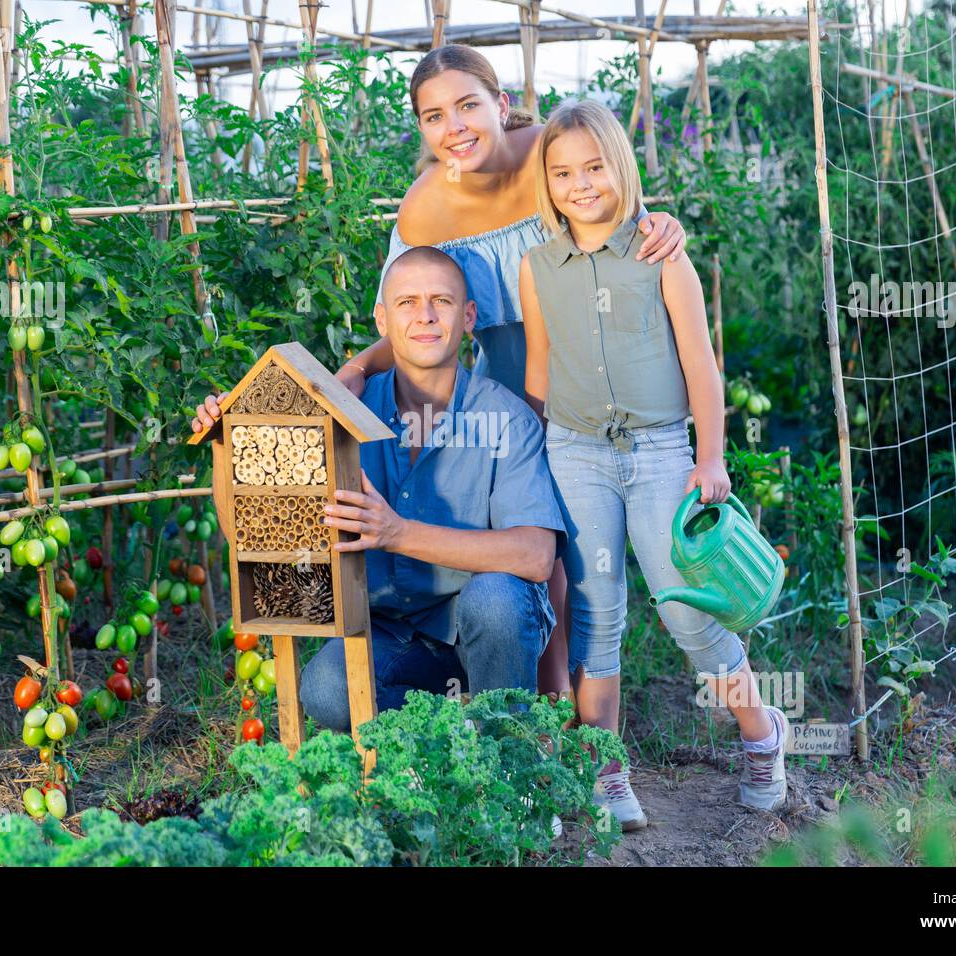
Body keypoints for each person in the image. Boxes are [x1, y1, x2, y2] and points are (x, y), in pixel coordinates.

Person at [335, 45, 688, 696]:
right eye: (434, 116)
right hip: (520, 389)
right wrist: (356, 368)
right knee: (544, 548)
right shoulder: (423, 211)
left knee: (608, 565)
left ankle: (606, 705)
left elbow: (615, 217)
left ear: (501, 105)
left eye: (468, 105)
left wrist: (658, 224)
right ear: (420, 128)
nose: (455, 128)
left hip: (598, 374)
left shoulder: (547, 156)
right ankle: (555, 707)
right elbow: (418, 313)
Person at [519, 99, 789, 831]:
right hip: (575, 454)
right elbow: (539, 369)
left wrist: (711, 456)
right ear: (546, 180)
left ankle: (762, 737)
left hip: (662, 450)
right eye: (563, 171)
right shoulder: (537, 265)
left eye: (595, 167)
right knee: (595, 612)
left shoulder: (659, 251)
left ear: (621, 167)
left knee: (685, 611)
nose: (581, 184)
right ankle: (608, 773)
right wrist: (528, 461)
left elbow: (700, 361)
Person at [192, 246, 564, 732]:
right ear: (383, 320)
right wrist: (227, 444)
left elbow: (536, 555)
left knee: (495, 601)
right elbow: (257, 540)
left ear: (469, 317)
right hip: (392, 632)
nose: (426, 316)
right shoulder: (341, 415)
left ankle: (508, 758)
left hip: (481, 627)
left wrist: (397, 532)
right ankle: (447, 733)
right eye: (408, 303)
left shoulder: (506, 417)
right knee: (326, 693)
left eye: (442, 302)